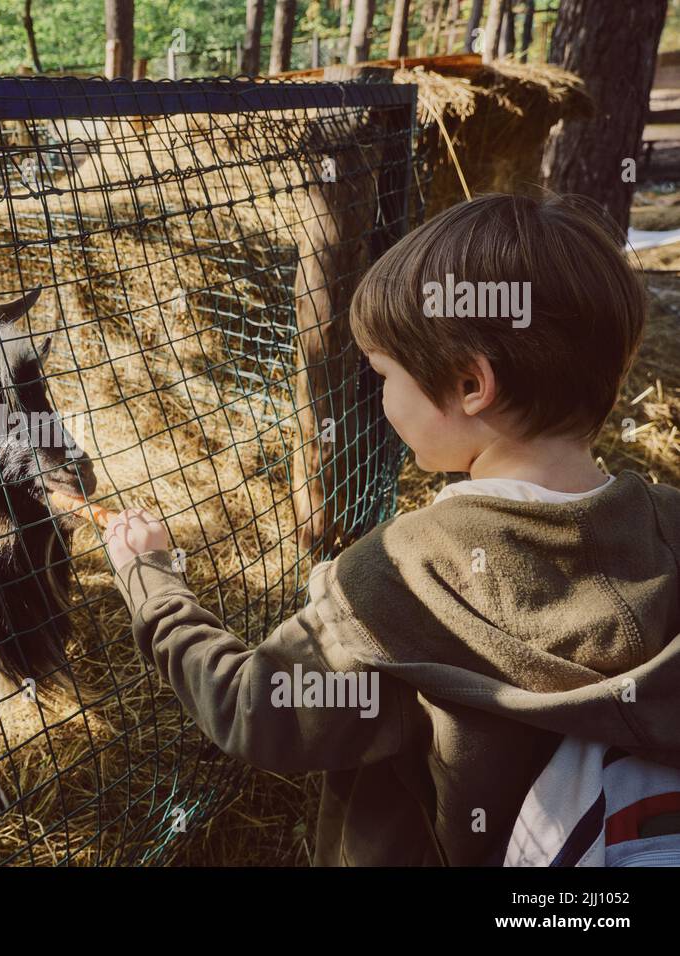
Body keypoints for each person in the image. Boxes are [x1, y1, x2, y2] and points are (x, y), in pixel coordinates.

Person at [103, 193, 680, 865]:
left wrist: (155, 586)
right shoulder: (668, 524)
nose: (381, 399)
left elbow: (252, 709)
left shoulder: (401, 575)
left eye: (383, 373)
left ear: (470, 384)